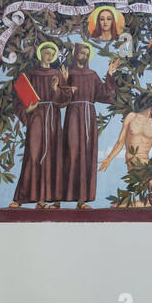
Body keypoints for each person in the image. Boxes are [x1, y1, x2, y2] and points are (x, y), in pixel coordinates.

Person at [8, 43, 73, 209]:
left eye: (52, 53)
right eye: (46, 52)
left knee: (53, 154)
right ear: (40, 54)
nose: (49, 55)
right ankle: (24, 197)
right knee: (34, 154)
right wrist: (27, 109)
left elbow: (65, 99)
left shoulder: (57, 74)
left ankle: (51, 199)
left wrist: (55, 89)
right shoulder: (30, 75)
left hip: (52, 116)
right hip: (36, 116)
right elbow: (18, 98)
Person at [56, 43, 120, 208]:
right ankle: (59, 198)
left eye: (86, 53)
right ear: (75, 54)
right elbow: (60, 98)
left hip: (88, 116)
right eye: (81, 53)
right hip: (73, 115)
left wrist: (110, 74)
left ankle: (81, 200)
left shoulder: (92, 75)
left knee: (86, 155)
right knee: (70, 152)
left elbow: (105, 93)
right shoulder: (68, 73)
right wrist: (64, 81)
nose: (83, 55)